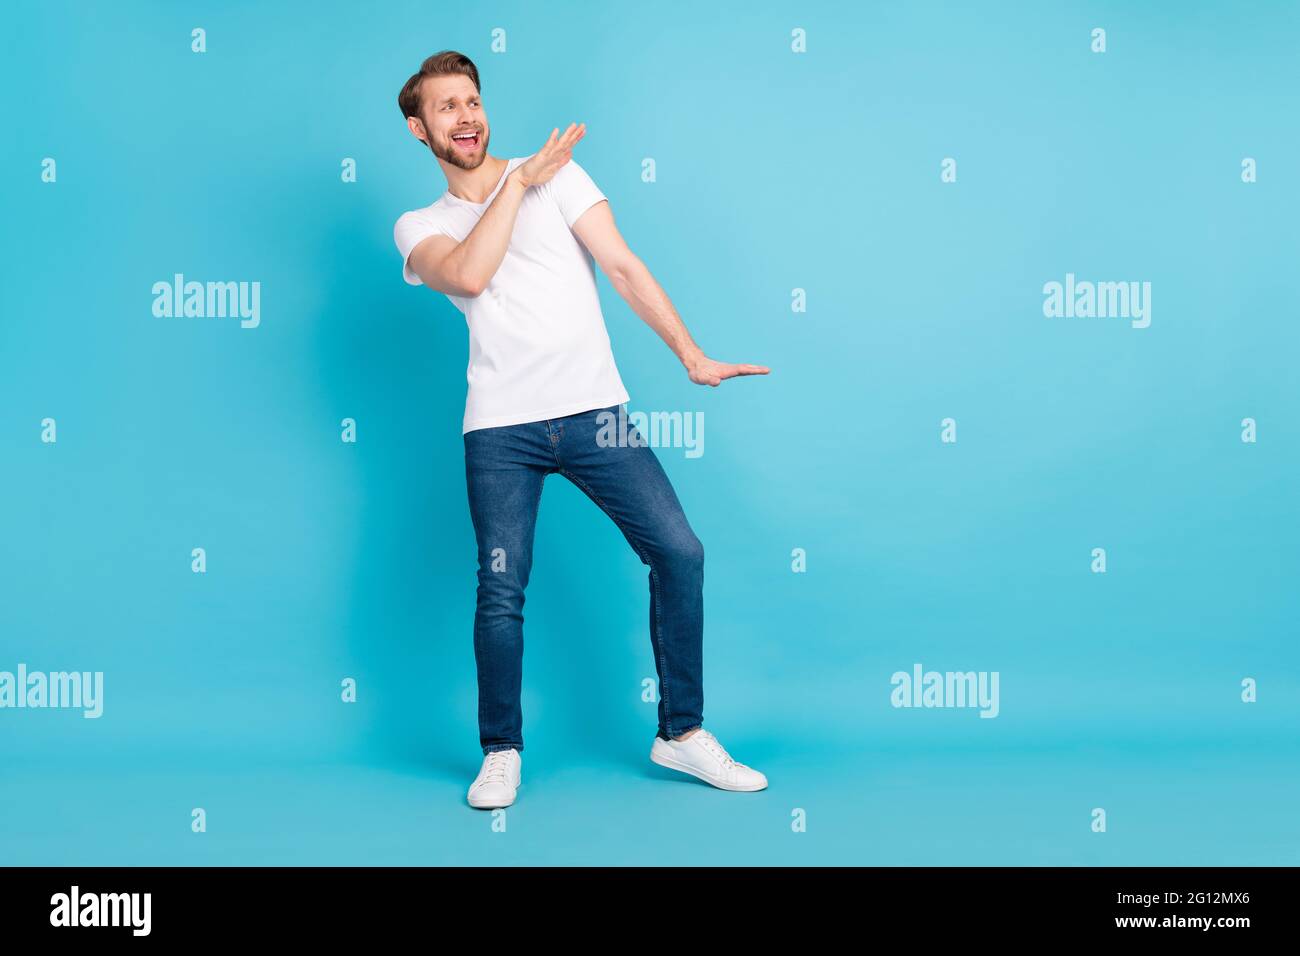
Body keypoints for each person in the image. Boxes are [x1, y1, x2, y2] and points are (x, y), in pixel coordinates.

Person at [393, 51, 770, 808]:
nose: (466, 116)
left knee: (680, 552)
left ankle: (682, 734)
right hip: (501, 429)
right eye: (446, 108)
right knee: (501, 588)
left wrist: (690, 354)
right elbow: (468, 274)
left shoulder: (557, 175)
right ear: (419, 129)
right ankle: (501, 751)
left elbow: (624, 267)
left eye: (472, 101)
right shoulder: (420, 224)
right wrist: (515, 184)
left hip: (595, 415)